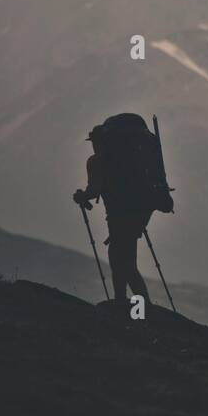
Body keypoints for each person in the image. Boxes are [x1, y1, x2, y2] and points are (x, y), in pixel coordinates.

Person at [73, 126, 152, 305]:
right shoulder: (127, 160)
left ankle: (125, 303)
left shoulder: (97, 161)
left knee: (119, 261)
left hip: (118, 217)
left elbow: (94, 190)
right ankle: (138, 304)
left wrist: (81, 196)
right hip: (137, 215)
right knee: (127, 261)